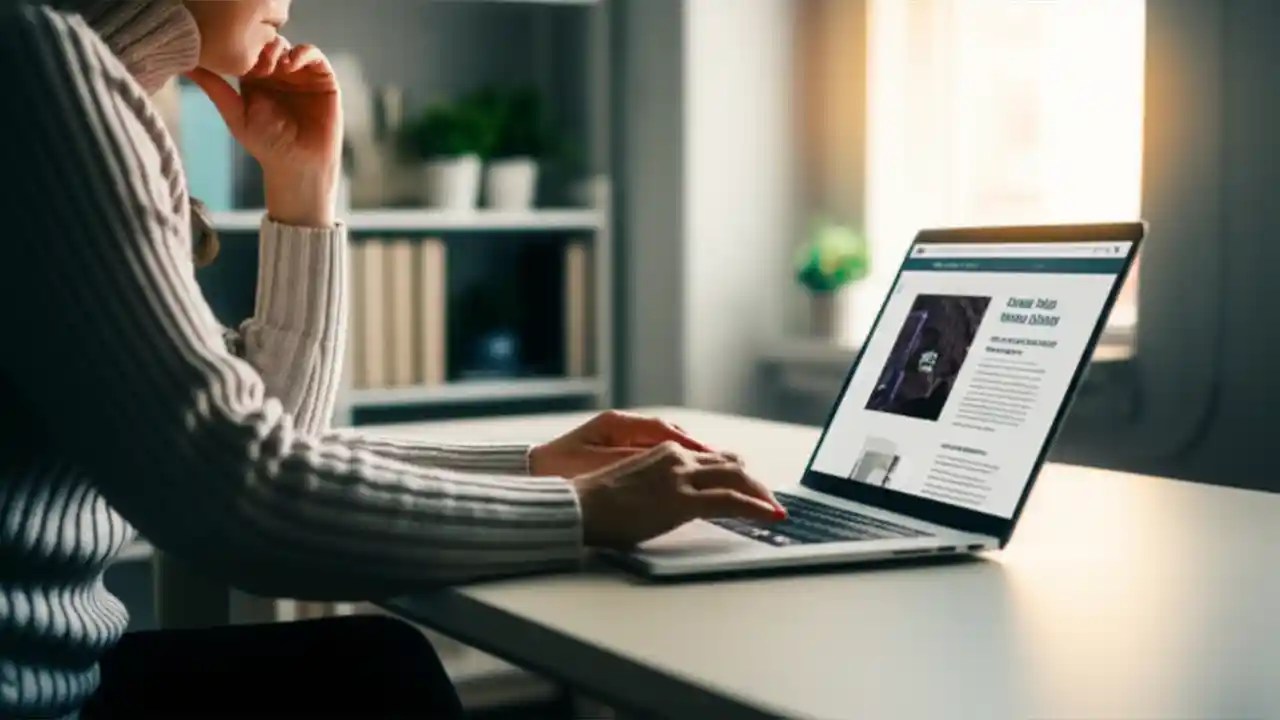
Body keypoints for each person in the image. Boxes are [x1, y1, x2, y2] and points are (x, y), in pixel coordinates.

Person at [0, 1, 786, 717]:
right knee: (377, 682)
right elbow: (233, 493)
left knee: (374, 666)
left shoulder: (61, 78)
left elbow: (258, 440)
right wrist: (583, 512)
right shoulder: (35, 63)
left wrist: (303, 187)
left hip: (64, 683)